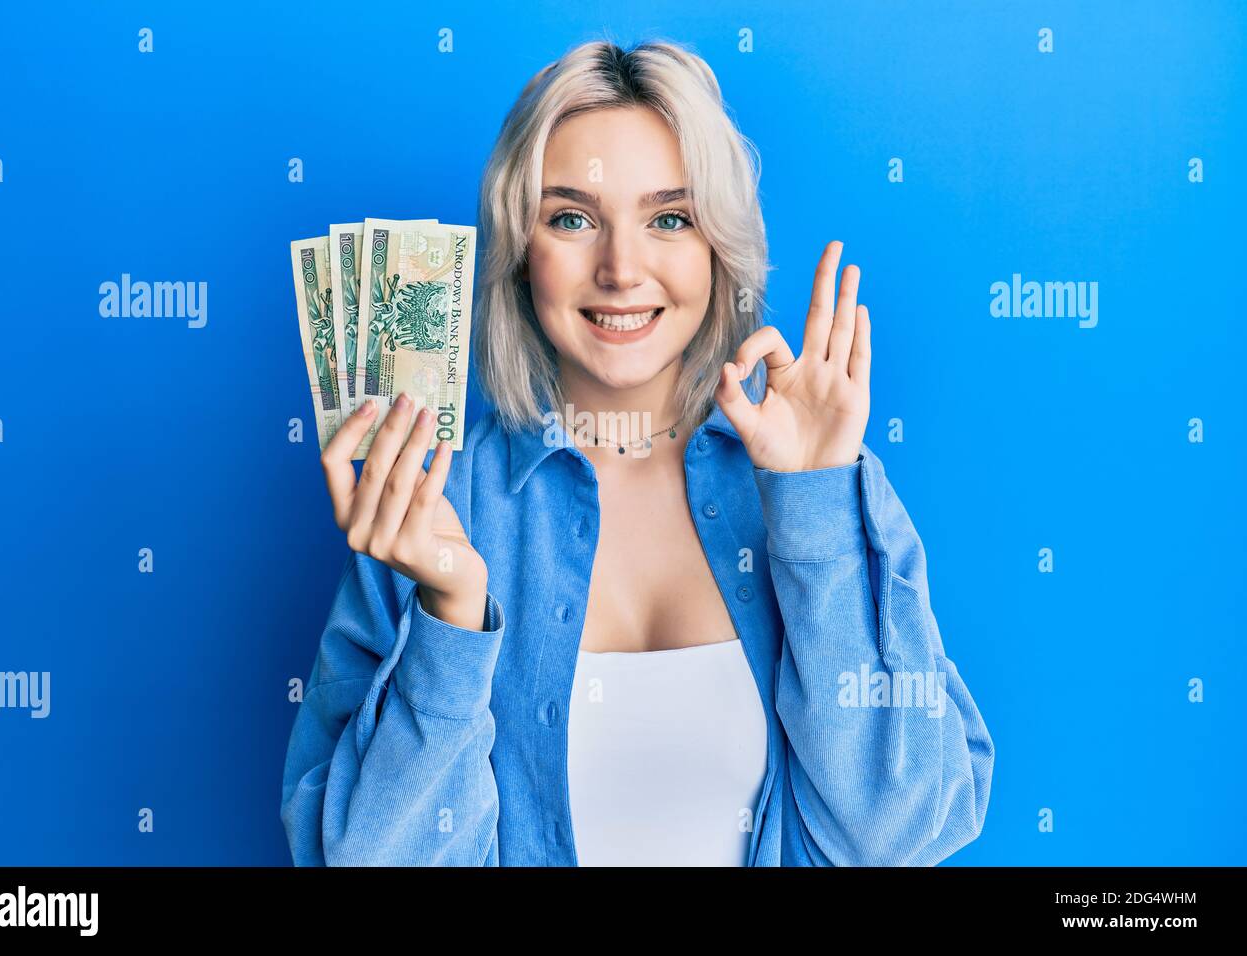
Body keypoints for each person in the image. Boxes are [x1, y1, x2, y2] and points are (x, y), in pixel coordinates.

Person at [280, 38, 994, 866]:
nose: (621, 269)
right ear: (520, 253)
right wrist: (451, 614)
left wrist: (817, 511)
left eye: (669, 218)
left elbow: (897, 832)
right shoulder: (434, 508)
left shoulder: (820, 480)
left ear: (718, 249)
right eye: (573, 218)